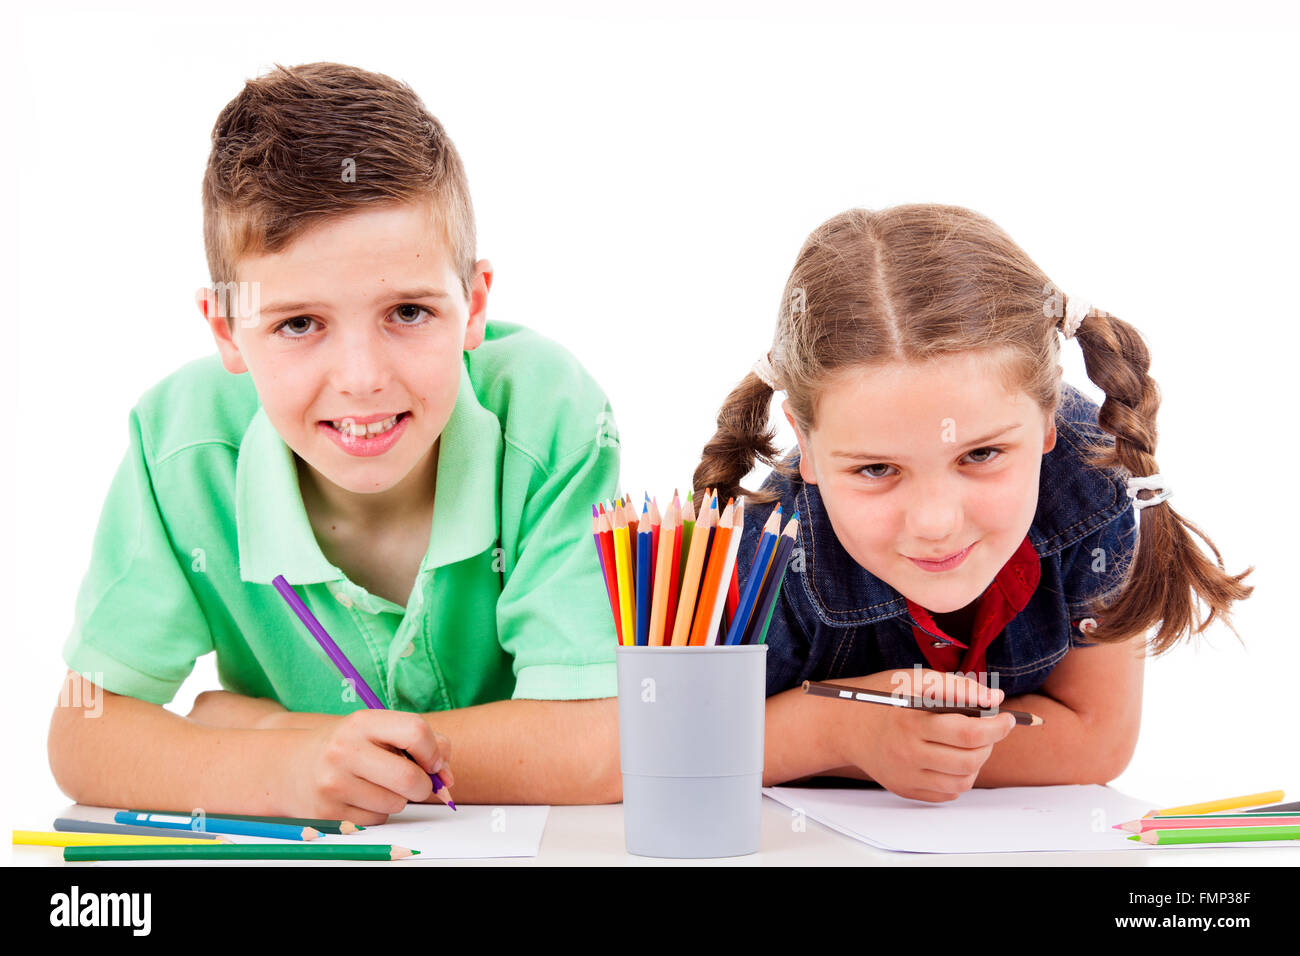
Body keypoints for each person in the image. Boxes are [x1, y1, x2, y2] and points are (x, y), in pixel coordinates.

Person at [48, 62, 623, 822]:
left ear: (474, 305)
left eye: (409, 312)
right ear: (227, 330)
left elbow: (592, 743)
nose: (361, 379)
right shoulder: (179, 448)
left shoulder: (549, 414)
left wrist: (271, 734)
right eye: (297, 324)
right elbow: (85, 734)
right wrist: (288, 770)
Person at [693, 204, 1254, 803]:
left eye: (980, 455)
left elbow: (1098, 739)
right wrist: (840, 733)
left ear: (1047, 419)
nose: (936, 522)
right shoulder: (766, 549)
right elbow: (684, 745)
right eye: (877, 469)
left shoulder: (1096, 476)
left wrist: (880, 747)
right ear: (804, 443)